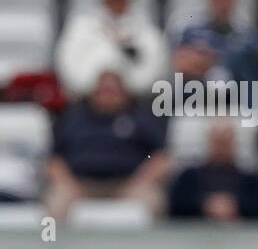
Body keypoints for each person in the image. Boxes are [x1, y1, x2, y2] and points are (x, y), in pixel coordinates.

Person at [45, 70, 171, 220]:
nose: (108, 96)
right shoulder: (73, 117)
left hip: (128, 183)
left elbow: (161, 157)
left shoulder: (141, 117)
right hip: (79, 183)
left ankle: (148, 244)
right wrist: (68, 183)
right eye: (103, 91)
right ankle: (56, 243)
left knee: (152, 201)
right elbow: (54, 159)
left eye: (113, 91)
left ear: (125, 92)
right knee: (56, 202)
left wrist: (140, 181)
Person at [55, 0, 168, 98]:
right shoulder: (81, 27)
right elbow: (67, 64)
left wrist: (123, 87)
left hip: (134, 100)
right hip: (87, 99)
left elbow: (155, 68)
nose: (115, 1)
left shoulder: (146, 29)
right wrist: (95, 87)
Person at [169, 122, 258, 221]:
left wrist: (234, 205)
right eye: (218, 142)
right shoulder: (190, 176)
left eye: (225, 142)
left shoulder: (249, 179)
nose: (221, 147)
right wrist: (206, 205)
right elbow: (176, 205)